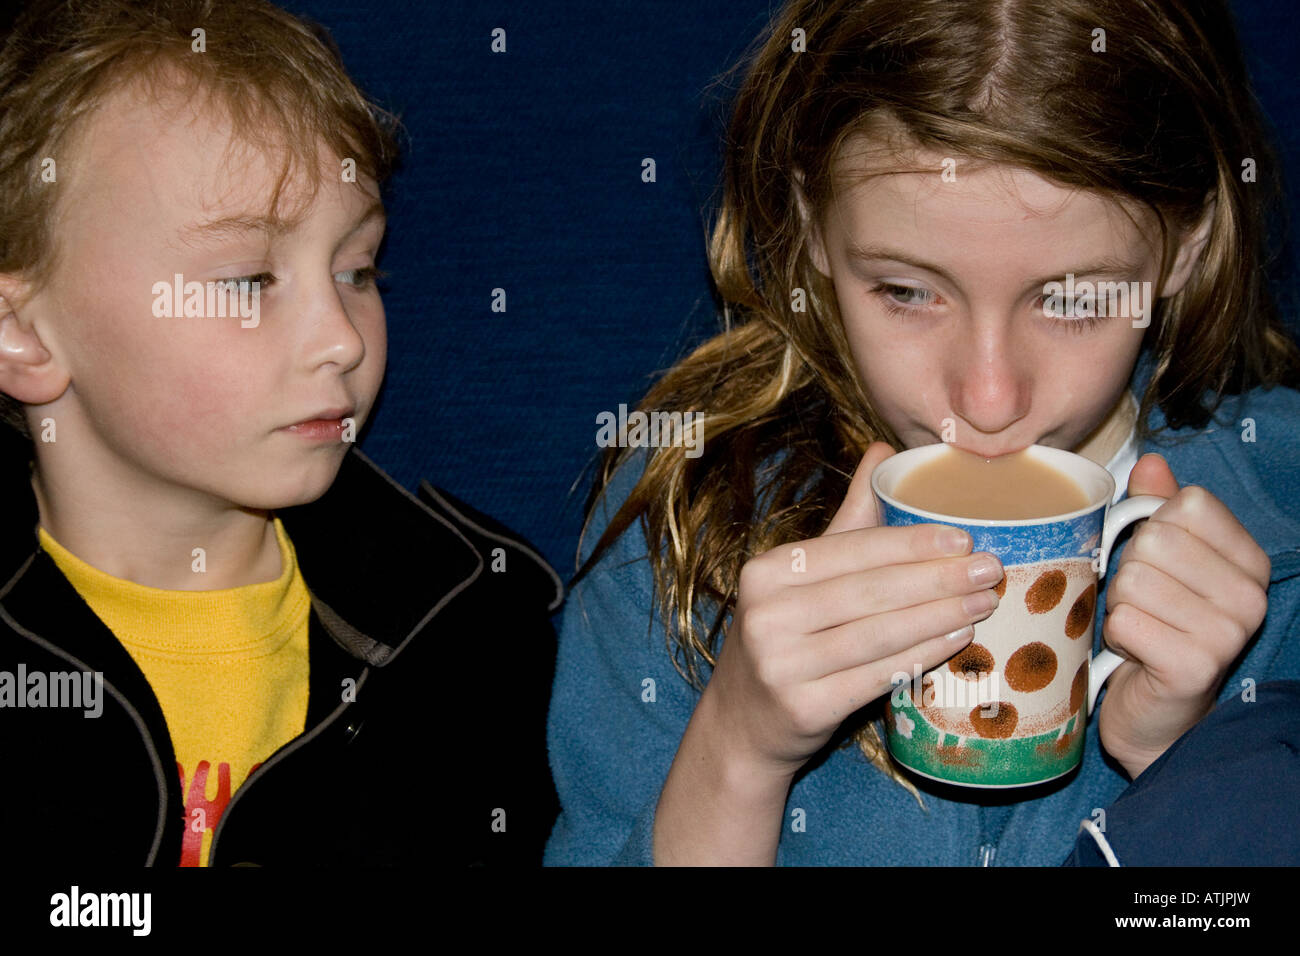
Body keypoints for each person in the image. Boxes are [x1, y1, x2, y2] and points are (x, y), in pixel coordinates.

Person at [545, 0, 1300, 866]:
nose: (985, 398)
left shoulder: (1286, 528)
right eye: (906, 291)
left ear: (1188, 246)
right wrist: (737, 751)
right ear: (811, 224)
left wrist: (1195, 769)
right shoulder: (685, 511)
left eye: (1073, 299)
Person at [0, 0, 561, 867]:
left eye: (358, 270)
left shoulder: (470, 638)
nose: (342, 338)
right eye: (249, 279)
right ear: (24, 335)